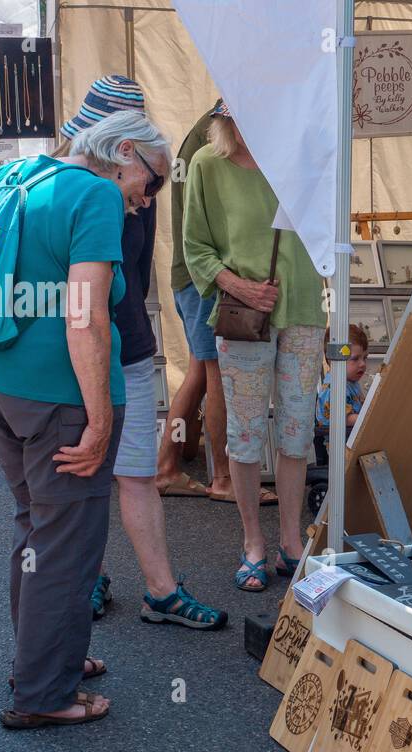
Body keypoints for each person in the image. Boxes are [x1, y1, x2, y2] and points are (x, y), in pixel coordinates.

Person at [0, 110, 170, 728]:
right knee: (66, 544)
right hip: (61, 397)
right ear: (125, 151)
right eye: (153, 181)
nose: (148, 197)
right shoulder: (97, 197)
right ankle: (43, 693)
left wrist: (0, 258)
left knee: (37, 528)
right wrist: (102, 421)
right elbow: (84, 318)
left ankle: (45, 659)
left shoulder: (20, 174)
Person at [57, 77, 224, 630]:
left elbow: (124, 273)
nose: (144, 190)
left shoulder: (122, 185)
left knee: (128, 470)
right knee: (89, 474)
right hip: (87, 349)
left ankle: (159, 590)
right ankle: (96, 580)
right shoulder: (81, 183)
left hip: (116, 343)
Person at [183, 101, 326, 590]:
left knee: (296, 428)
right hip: (245, 315)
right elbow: (195, 247)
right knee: (244, 434)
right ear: (225, 117)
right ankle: (252, 543)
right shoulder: (207, 164)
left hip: (304, 307)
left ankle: (289, 541)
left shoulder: (300, 160)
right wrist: (239, 287)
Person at [155, 98, 270, 505]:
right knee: (215, 370)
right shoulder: (218, 128)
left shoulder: (208, 125)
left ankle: (170, 463)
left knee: (203, 372)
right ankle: (220, 475)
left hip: (195, 272)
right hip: (205, 274)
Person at [315, 324, 368, 449]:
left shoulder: (351, 383)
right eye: (355, 359)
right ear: (333, 361)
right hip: (340, 449)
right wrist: (371, 419)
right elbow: (344, 418)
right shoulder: (334, 387)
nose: (362, 364)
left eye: (365, 358)